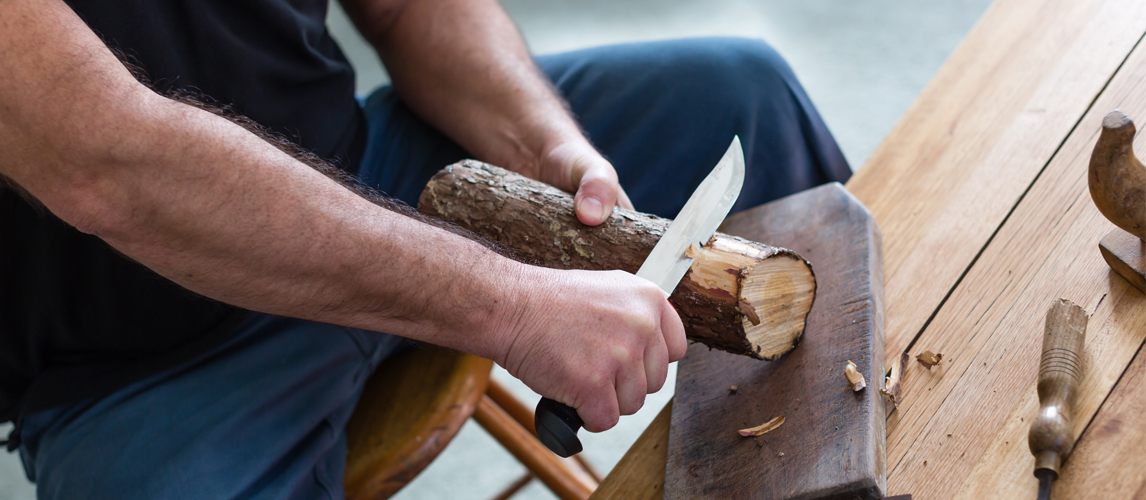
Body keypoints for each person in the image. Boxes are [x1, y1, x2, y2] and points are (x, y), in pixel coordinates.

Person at [0, 0, 850, 497]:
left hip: (367, 176)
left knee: (742, 95)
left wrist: (546, 149)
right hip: (137, 362)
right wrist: (512, 307)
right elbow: (108, 163)